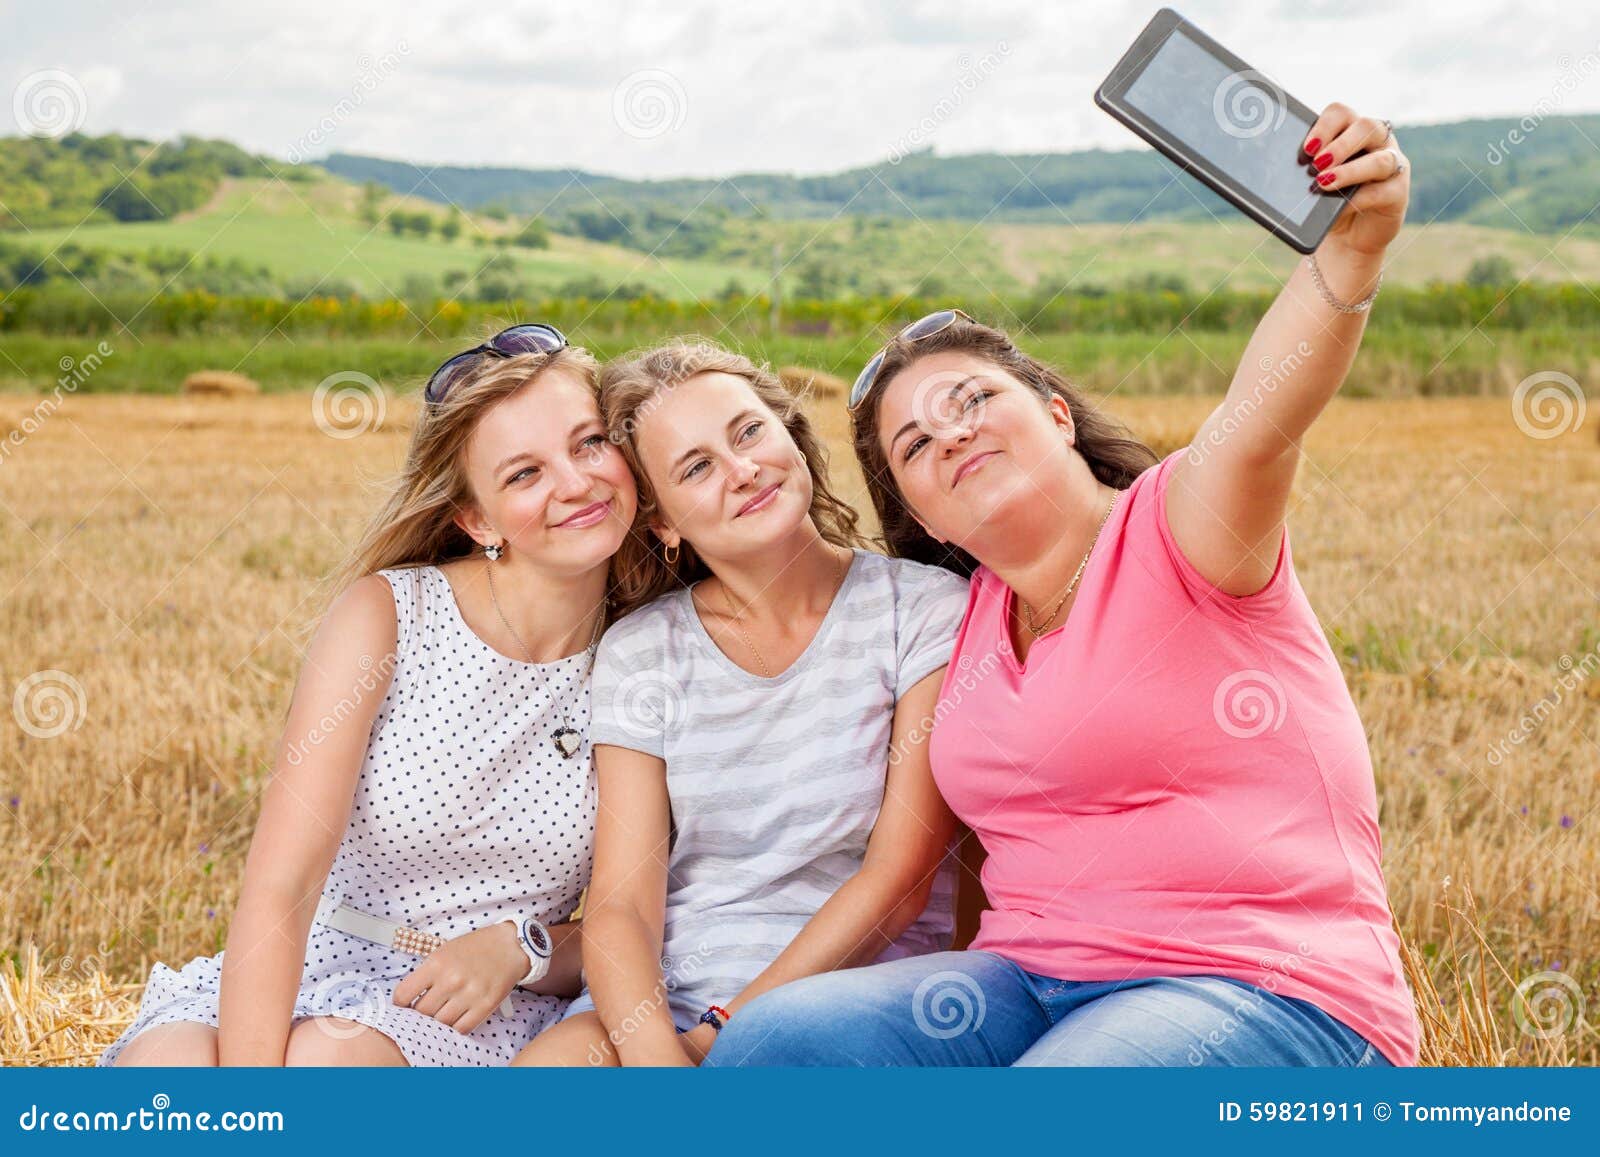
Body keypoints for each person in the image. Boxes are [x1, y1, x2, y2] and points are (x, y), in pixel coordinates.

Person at [704, 104, 1421, 1068]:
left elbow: (1264, 408)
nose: (950, 431)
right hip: (1025, 985)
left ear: (1056, 414)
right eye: (914, 443)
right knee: (775, 1045)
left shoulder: (1182, 528)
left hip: (1259, 985)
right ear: (922, 517)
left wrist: (1355, 247)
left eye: (973, 399)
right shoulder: (959, 622)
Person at [103, 325, 637, 1066]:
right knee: (168, 1071)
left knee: (331, 1064)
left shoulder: (651, 652)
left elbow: (637, 922)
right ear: (476, 519)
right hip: (314, 963)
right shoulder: (391, 614)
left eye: (589, 442)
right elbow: (281, 882)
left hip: (481, 1007)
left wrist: (522, 947)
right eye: (524, 473)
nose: (576, 482)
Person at [513, 339, 969, 1066]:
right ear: (662, 520)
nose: (743, 469)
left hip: (850, 996)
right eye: (696, 467)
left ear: (789, 430)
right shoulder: (643, 650)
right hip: (670, 1002)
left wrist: (724, 1031)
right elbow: (624, 904)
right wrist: (658, 1056)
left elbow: (899, 878)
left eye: (749, 431)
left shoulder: (920, 611)